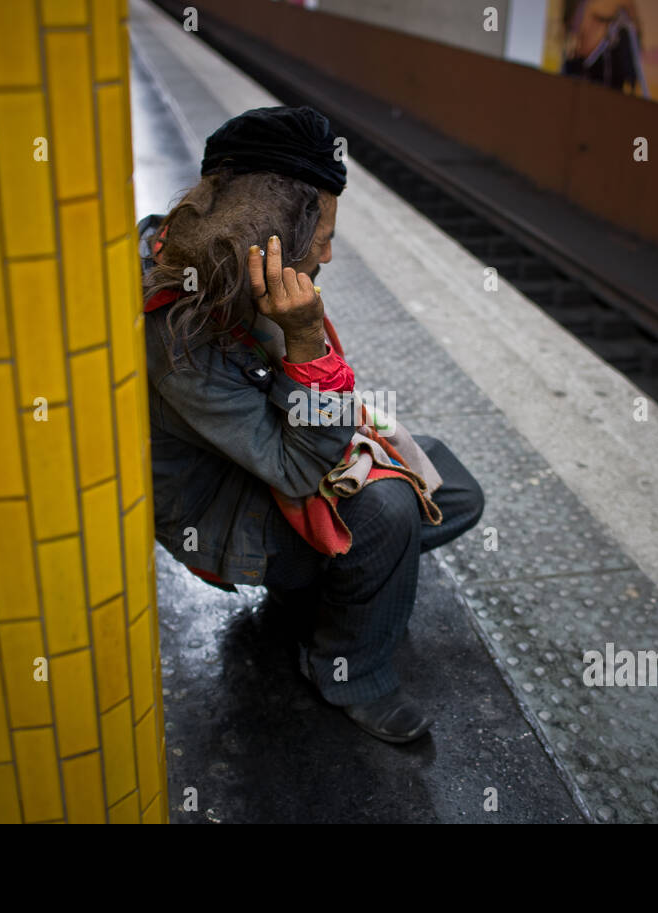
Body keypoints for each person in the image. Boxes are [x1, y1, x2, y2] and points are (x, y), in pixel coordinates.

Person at [138, 105, 485, 744]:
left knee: (454, 488)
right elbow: (302, 468)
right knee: (387, 512)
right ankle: (351, 672)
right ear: (262, 231)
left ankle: (328, 590)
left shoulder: (213, 253)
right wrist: (305, 341)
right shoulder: (180, 333)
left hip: (260, 458)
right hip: (220, 510)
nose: (328, 252)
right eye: (319, 235)